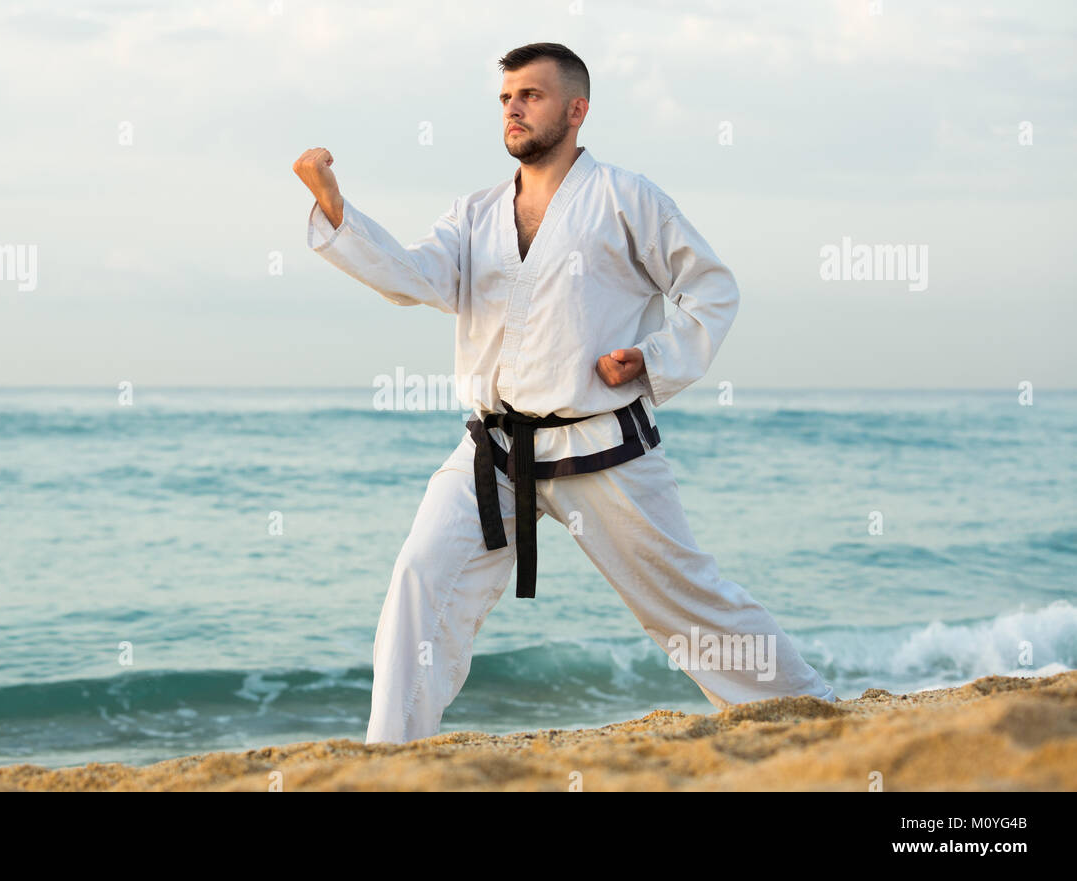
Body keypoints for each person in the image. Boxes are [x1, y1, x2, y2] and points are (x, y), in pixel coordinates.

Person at [293, 42, 838, 744]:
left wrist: (652, 358)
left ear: (577, 110)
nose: (514, 108)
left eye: (531, 95)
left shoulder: (627, 198)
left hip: (602, 445)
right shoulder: (475, 213)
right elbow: (412, 276)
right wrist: (337, 210)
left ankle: (813, 710)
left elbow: (711, 290)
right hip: (494, 451)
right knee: (420, 579)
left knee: (685, 602)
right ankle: (389, 753)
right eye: (506, 97)